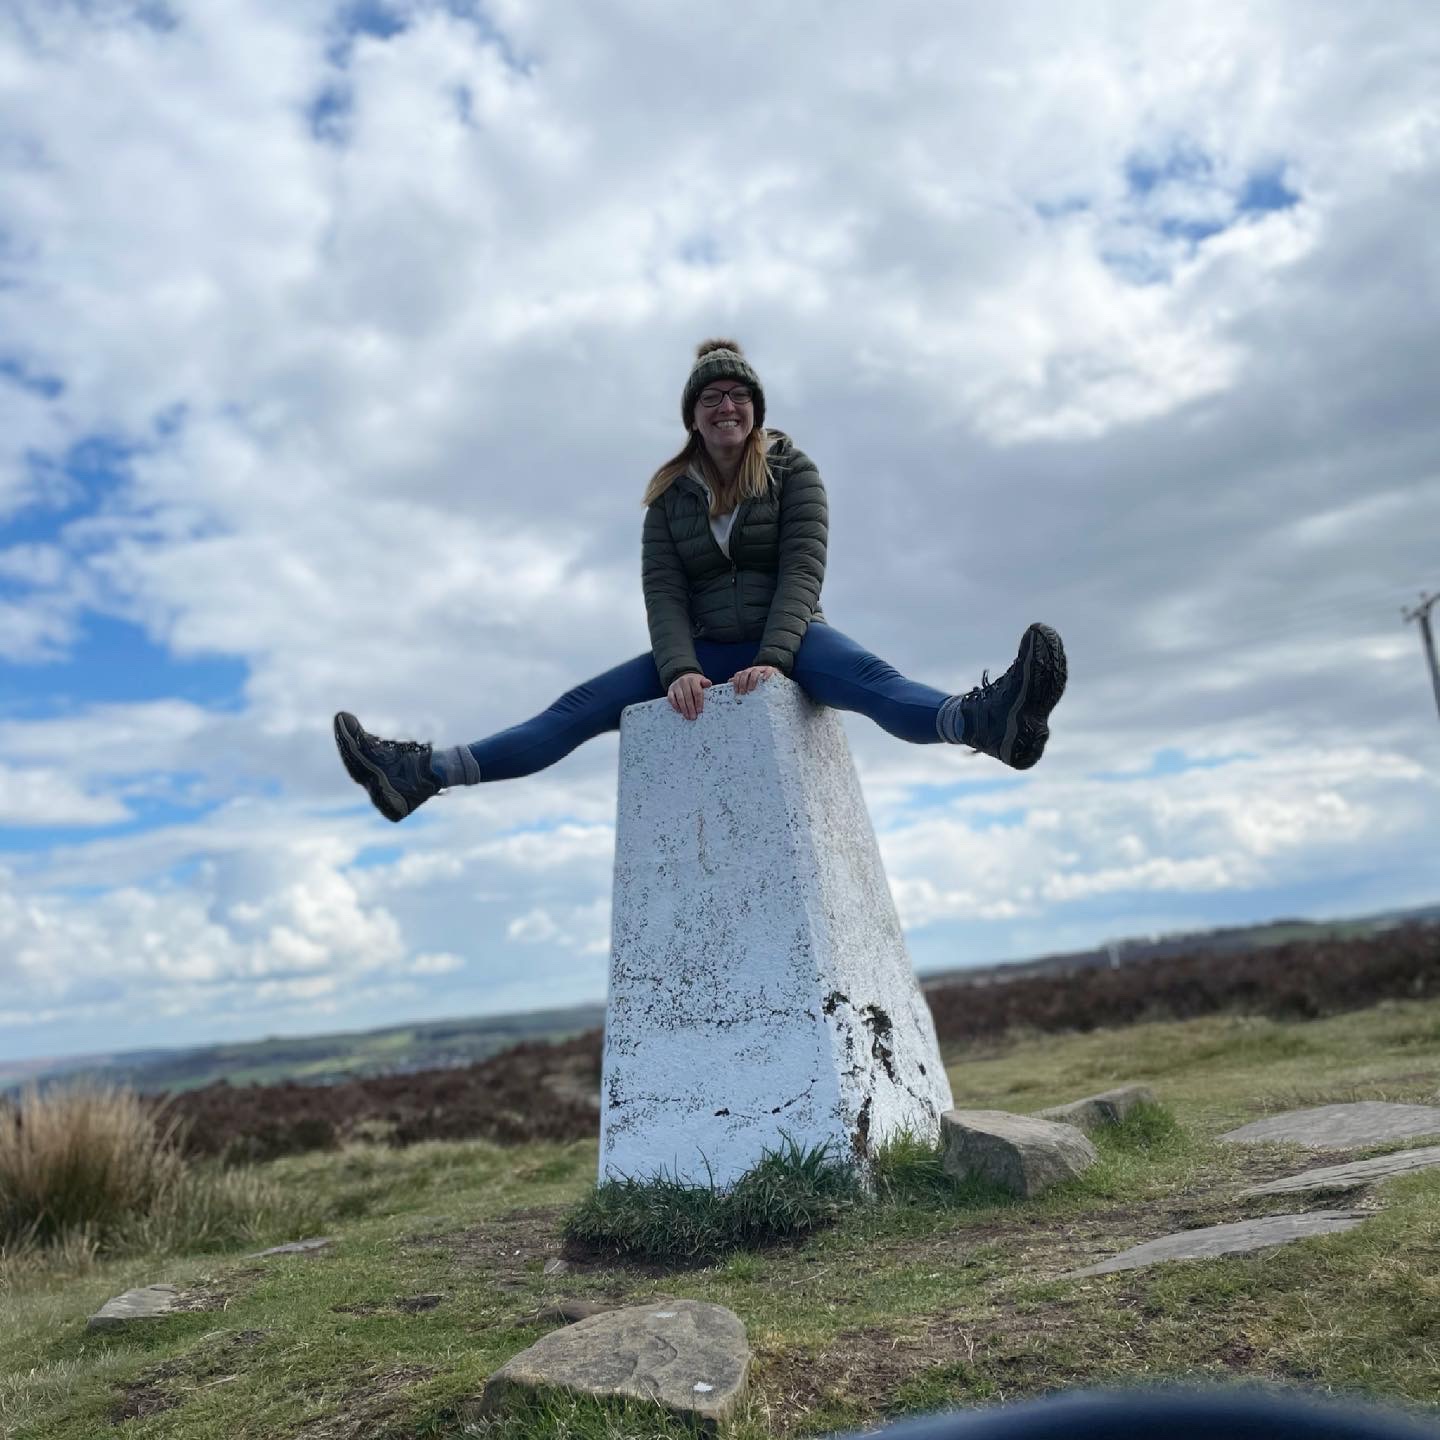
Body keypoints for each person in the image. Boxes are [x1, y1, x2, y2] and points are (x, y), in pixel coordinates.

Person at [334, 338, 1067, 822]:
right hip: (703, 647)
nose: (727, 406)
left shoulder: (793, 472)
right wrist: (679, 668)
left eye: (738, 397)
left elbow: (802, 570)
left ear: (755, 411)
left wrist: (774, 659)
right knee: (574, 709)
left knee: (874, 681)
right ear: (694, 415)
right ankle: (421, 774)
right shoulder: (668, 495)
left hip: (789, 637)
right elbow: (664, 593)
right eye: (712, 397)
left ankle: (987, 721)